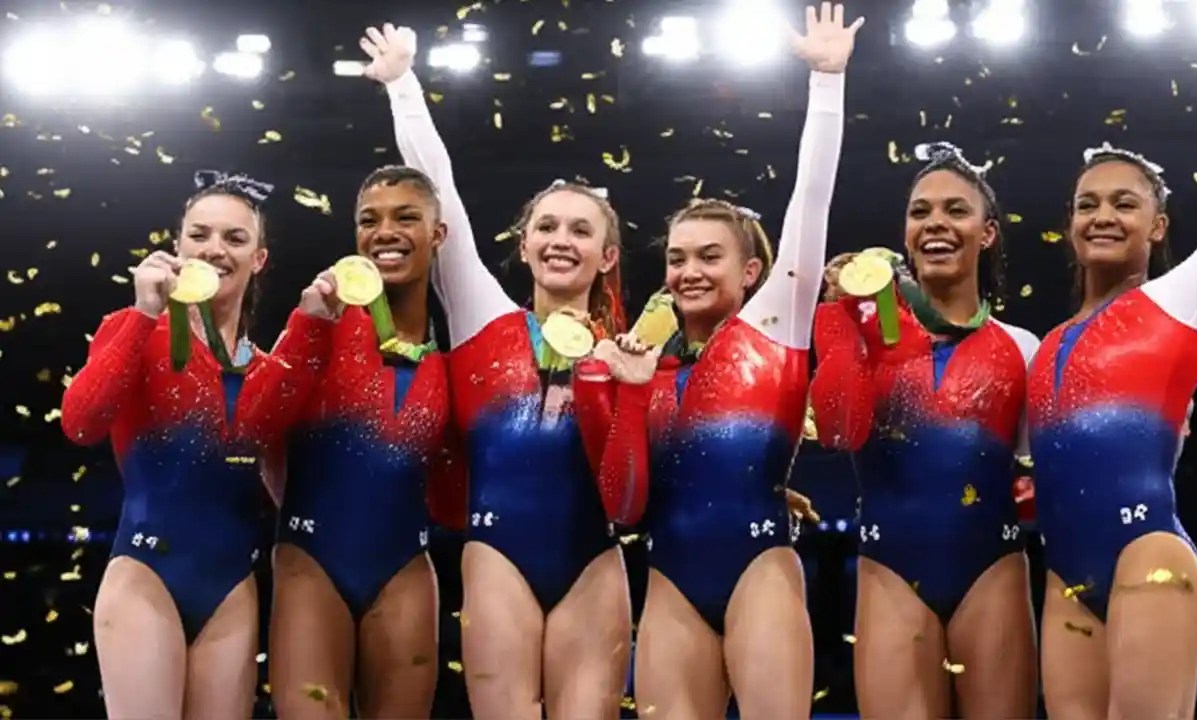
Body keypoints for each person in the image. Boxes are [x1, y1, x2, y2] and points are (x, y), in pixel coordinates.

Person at [587, 4, 861, 716]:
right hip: (670, 579)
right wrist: (631, 393)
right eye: (677, 258)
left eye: (710, 257)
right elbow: (624, 503)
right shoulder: (646, 362)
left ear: (752, 272)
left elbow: (811, 200)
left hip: (759, 569)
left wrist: (826, 82)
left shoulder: (776, 326)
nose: (689, 272)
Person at [362, 23, 629, 719]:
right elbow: (441, 191)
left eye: (580, 230)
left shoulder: (626, 353)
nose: (561, 240)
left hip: (595, 558)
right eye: (547, 227)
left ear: (606, 256)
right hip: (496, 553)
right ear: (525, 243)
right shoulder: (483, 316)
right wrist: (402, 84)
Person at [1031, 124, 1197, 719]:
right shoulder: (1045, 346)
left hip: (1149, 557)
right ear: (1069, 224)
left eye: (1124, 204)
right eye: (1087, 205)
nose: (1102, 216)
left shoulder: (1183, 300)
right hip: (1065, 582)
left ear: (1158, 226)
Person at [60, 172, 318, 718]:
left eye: (234, 238)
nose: (214, 249)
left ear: (259, 259)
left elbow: (283, 487)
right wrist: (143, 313)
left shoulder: (266, 370)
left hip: (232, 591)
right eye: (199, 235)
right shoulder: (135, 329)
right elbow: (80, 424)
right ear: (177, 246)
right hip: (145, 578)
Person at [810, 143, 1039, 718]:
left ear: (987, 233)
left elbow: (1051, 474)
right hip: (889, 573)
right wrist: (841, 323)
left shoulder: (1022, 349)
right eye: (920, 212)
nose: (936, 222)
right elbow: (835, 432)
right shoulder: (865, 341)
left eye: (956, 210)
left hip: (993, 570)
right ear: (905, 237)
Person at [257, 166, 462, 718]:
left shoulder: (454, 346)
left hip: (405, 566)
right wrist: (306, 325)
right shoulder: (322, 322)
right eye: (369, 221)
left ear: (438, 234)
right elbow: (259, 425)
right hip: (311, 560)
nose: (385, 232)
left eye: (406, 218)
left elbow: (454, 493)